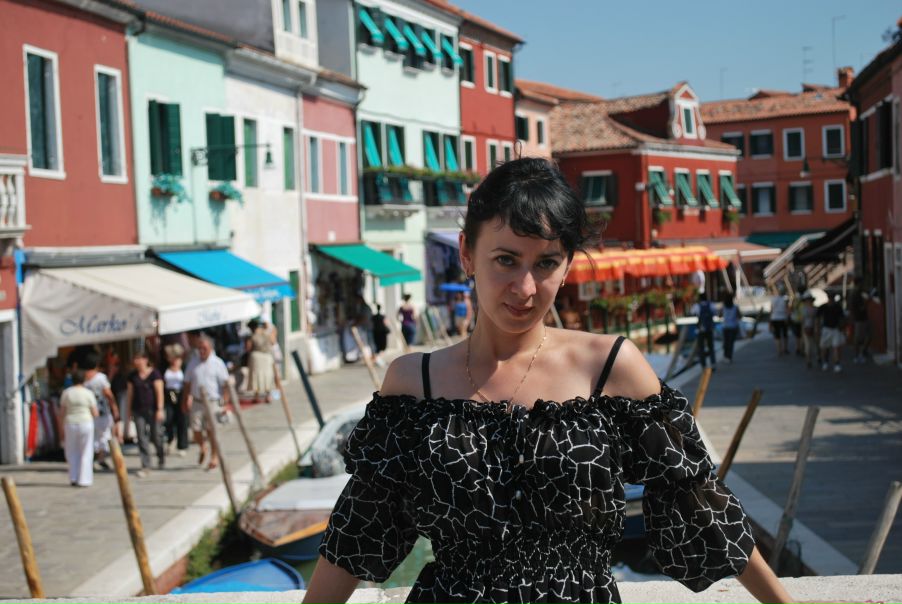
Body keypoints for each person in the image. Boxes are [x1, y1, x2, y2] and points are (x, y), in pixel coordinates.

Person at [302, 158, 809, 604]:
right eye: (505, 260)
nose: (525, 288)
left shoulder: (611, 367)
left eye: (545, 263)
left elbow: (699, 505)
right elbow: (358, 536)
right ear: (466, 254)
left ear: (566, 266)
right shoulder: (415, 383)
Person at [183, 333, 231, 470]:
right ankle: (203, 447)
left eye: (204, 348)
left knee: (212, 430)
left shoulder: (217, 363)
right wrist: (185, 399)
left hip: (213, 401)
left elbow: (225, 384)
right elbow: (187, 383)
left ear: (210, 348)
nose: (202, 351)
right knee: (196, 430)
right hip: (197, 401)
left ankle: (214, 456)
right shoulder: (193, 362)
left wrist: (225, 402)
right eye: (199, 348)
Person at [126, 351, 165, 477]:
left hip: (153, 409)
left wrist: (160, 409)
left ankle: (160, 455)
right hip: (138, 410)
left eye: (138, 359)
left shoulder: (155, 374)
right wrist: (128, 411)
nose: (136, 362)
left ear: (145, 360)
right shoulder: (132, 376)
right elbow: (130, 394)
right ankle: (146, 465)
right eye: (135, 359)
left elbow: (159, 392)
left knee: (156, 435)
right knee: (141, 437)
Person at [59, 370, 98, 487]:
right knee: (86, 451)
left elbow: (62, 412)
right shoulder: (88, 393)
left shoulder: (66, 393)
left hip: (70, 423)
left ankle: (73, 477)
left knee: (72, 451)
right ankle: (84, 479)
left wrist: (60, 428)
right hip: (85, 422)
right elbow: (95, 412)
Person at [82, 350, 119, 471]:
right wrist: (115, 408)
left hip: (87, 412)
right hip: (102, 411)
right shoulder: (101, 378)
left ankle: (92, 460)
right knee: (103, 436)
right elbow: (108, 394)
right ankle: (100, 459)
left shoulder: (83, 378)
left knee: (91, 437)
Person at [163, 345, 189, 455]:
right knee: (168, 419)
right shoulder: (165, 368)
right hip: (169, 394)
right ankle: (170, 439)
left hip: (181, 394)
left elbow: (187, 382)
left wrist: (188, 397)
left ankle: (182, 445)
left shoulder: (184, 366)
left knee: (182, 419)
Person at [246, 319, 275, 404]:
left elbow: (248, 348)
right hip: (267, 356)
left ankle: (257, 396)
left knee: (256, 377)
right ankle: (268, 396)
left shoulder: (252, 335)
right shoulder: (266, 333)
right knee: (267, 376)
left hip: (256, 357)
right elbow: (273, 342)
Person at [818, 294, 846, 373]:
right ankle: (825, 362)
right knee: (825, 347)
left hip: (836, 329)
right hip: (826, 329)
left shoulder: (838, 307)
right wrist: (817, 328)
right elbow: (817, 317)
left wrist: (842, 328)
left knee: (836, 347)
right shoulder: (823, 307)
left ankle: (837, 363)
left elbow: (842, 318)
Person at [692, 291, 717, 369]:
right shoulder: (711, 304)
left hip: (701, 330)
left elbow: (692, 313)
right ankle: (713, 363)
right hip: (710, 329)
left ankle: (703, 365)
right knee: (711, 347)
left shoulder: (697, 306)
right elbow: (715, 313)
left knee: (701, 348)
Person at [850, 278, 870, 364]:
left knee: (867, 336)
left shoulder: (858, 293)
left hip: (861, 318)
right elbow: (861, 307)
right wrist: (867, 301)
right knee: (858, 338)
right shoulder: (856, 294)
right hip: (859, 318)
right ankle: (857, 355)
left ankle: (862, 353)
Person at [720, 293, 741, 363]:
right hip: (733, 327)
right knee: (731, 343)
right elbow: (739, 316)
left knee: (726, 342)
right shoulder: (735, 307)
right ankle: (729, 357)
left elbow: (719, 315)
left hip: (725, 327)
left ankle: (725, 356)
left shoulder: (723, 307)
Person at [800, 293, 819, 369]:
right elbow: (802, 321)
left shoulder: (815, 309)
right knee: (808, 345)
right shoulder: (804, 309)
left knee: (815, 344)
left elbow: (817, 320)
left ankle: (817, 356)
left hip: (814, 328)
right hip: (807, 328)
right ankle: (808, 360)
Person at [770, 288, 789, 356]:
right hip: (783, 318)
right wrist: (787, 318)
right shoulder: (785, 299)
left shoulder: (773, 299)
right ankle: (785, 348)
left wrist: (770, 320)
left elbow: (771, 310)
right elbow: (787, 309)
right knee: (785, 334)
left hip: (775, 318)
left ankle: (779, 350)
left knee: (777, 335)